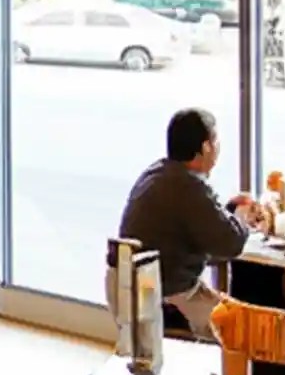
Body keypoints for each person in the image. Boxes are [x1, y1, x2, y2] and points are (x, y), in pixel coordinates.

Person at [105, 108, 256, 339]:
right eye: (216, 141)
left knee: (236, 313)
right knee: (246, 328)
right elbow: (230, 243)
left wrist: (229, 213)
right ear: (206, 147)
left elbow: (199, 226)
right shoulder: (189, 186)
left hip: (132, 290)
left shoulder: (158, 173)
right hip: (166, 298)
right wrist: (245, 216)